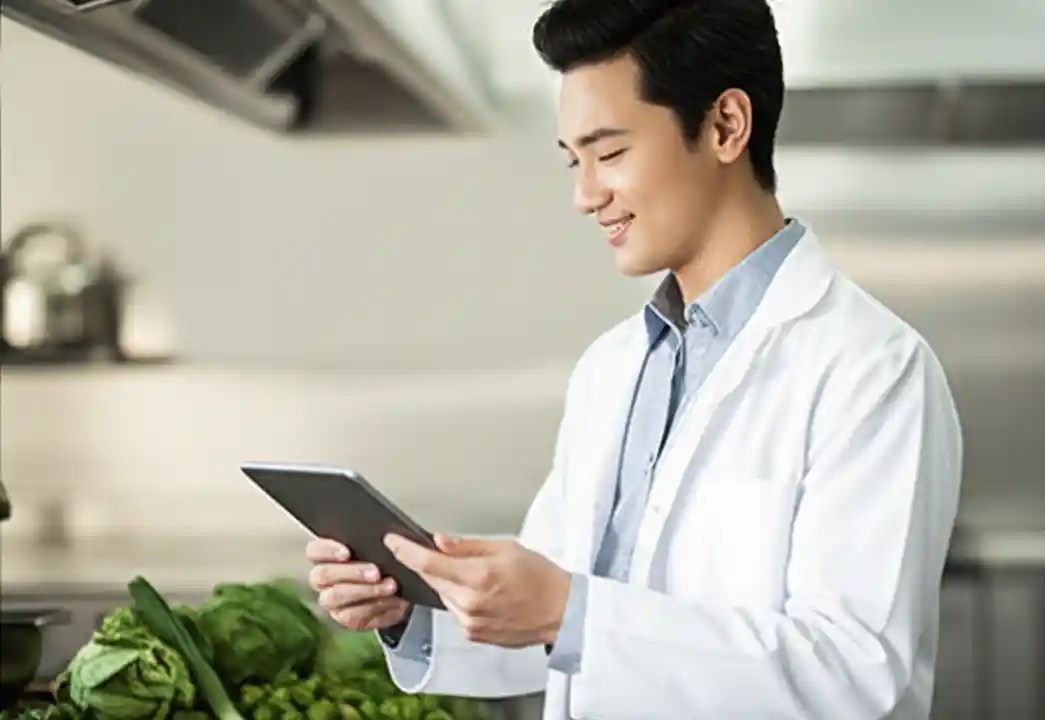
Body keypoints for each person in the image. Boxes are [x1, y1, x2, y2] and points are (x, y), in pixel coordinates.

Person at [305, 0, 963, 717]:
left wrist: (570, 611)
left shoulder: (871, 369)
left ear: (725, 126)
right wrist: (411, 609)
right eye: (573, 161)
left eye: (610, 153)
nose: (586, 196)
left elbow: (853, 674)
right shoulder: (612, 369)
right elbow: (551, 628)